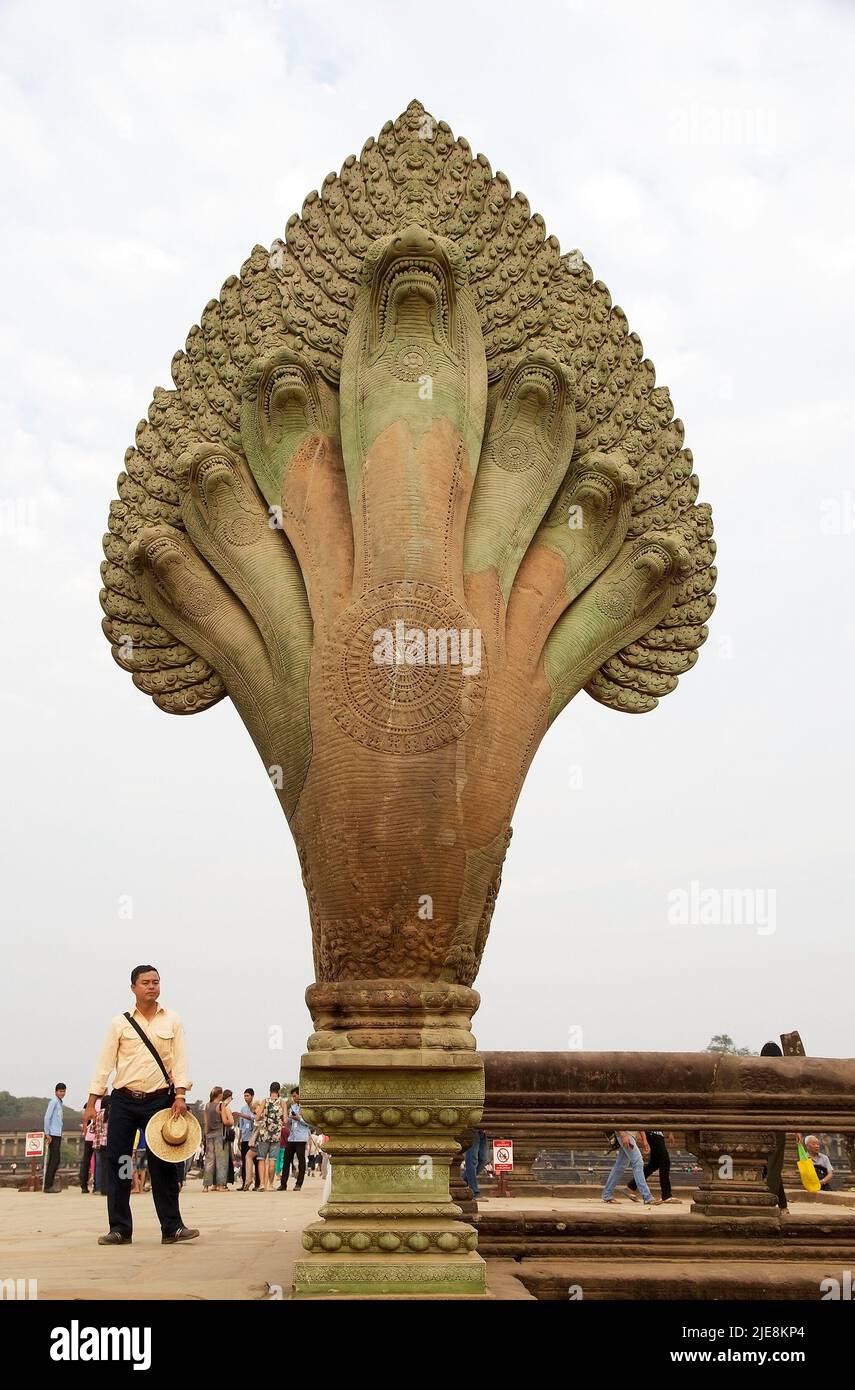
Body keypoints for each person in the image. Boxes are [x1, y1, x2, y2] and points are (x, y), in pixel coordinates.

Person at [83, 964, 199, 1246]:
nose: (152, 986)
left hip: (160, 1101)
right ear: (133, 988)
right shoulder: (119, 1023)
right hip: (123, 1100)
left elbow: (180, 1059)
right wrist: (92, 1103)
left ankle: (172, 1228)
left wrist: (181, 1095)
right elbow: (105, 1063)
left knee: (163, 1166)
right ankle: (120, 1229)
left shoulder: (172, 1019)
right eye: (145, 982)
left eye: (156, 982)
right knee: (120, 1163)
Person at [760, 1042, 788, 1211]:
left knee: (770, 1165)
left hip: (760, 1123)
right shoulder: (784, 1073)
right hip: (778, 1123)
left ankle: (779, 1204)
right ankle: (775, 1202)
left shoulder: (757, 1073)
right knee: (774, 1165)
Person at [602, 1130, 657, 1206]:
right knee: (638, 1162)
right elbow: (617, 1119)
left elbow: (639, 1122)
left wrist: (644, 1140)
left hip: (631, 1135)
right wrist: (623, 1134)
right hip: (626, 1134)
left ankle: (607, 1194)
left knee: (620, 1165)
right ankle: (647, 1197)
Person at [627, 1130, 678, 1203]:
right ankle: (666, 1195)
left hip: (658, 1134)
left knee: (654, 1164)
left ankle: (632, 1185)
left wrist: (670, 1132)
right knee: (665, 1162)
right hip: (652, 1133)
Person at [255, 1083, 284, 1190]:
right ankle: (271, 1185)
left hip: (264, 1134)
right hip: (276, 1134)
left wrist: (265, 1117)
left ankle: (262, 1184)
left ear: (270, 1090)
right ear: (278, 1091)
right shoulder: (282, 1103)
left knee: (261, 1159)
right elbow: (285, 1120)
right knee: (273, 1160)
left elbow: (257, 1117)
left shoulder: (265, 1101)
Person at [281, 1087, 310, 1191]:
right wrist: (286, 1118)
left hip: (301, 1137)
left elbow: (310, 1123)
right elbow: (289, 1122)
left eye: (294, 1096)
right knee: (286, 1160)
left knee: (301, 1161)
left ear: (300, 1095)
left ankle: (299, 1183)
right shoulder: (292, 1107)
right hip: (292, 1137)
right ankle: (283, 1184)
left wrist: (299, 1119)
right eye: (292, 1096)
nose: (293, 1098)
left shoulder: (307, 1108)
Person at [203, 1086, 229, 1191]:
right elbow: (225, 1121)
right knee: (220, 1161)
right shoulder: (221, 1105)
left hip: (209, 1135)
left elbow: (205, 1122)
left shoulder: (207, 1105)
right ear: (219, 1095)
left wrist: (206, 1135)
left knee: (209, 1160)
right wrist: (229, 1122)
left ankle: (206, 1186)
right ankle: (220, 1185)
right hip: (219, 1134)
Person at [42, 1082, 66, 1193]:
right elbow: (47, 1117)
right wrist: (47, 1133)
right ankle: (48, 1185)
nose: (62, 1093)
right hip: (52, 1134)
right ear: (56, 1092)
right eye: (60, 1091)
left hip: (58, 1134)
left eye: (63, 1091)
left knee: (55, 1159)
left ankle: (49, 1184)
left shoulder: (60, 1103)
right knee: (54, 1159)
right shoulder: (53, 1102)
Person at [235, 1088, 259, 1191]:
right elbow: (241, 1125)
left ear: (252, 1096)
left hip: (254, 1138)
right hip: (245, 1138)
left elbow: (256, 1119)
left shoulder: (256, 1107)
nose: (246, 1098)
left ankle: (257, 1183)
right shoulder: (243, 1109)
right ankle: (245, 1182)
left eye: (247, 1096)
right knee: (245, 1162)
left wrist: (244, 1115)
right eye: (244, 1096)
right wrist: (240, 1139)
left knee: (256, 1162)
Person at [463, 1129, 489, 1199]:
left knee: (483, 1160)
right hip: (472, 1131)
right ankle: (474, 1192)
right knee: (472, 1161)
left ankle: (463, 1180)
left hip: (482, 1132)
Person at [80, 1105, 95, 1193]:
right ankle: (97, 1185)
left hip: (88, 1137)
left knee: (86, 1161)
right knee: (98, 1161)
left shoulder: (89, 1106)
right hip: (97, 1138)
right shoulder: (102, 1104)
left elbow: (85, 1125)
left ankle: (83, 1185)